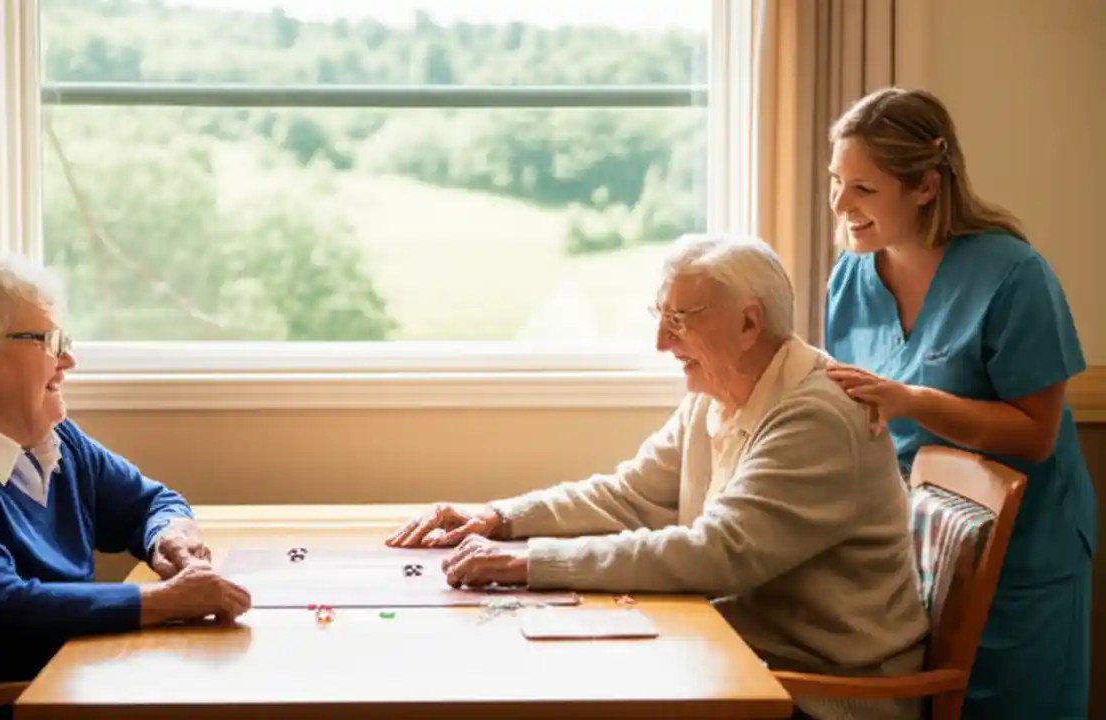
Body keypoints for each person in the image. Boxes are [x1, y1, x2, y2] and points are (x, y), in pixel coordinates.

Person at [388, 234, 930, 720]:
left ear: (748, 323)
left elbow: (716, 554)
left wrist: (530, 562)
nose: (661, 343)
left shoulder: (815, 416)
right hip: (746, 660)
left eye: (681, 320)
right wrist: (502, 518)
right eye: (660, 316)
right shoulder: (718, 394)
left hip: (825, 697)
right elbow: (629, 495)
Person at [0, 249, 252, 706]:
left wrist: (168, 537)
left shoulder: (54, 441)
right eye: (49, 341)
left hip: (56, 683)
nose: (68, 360)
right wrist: (164, 601)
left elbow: (150, 502)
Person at [823, 87, 1095, 718]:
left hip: (1027, 556)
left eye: (864, 189)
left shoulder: (1013, 275)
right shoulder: (852, 275)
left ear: (924, 186)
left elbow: (1035, 434)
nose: (840, 204)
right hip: (923, 547)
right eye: (836, 181)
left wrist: (912, 400)